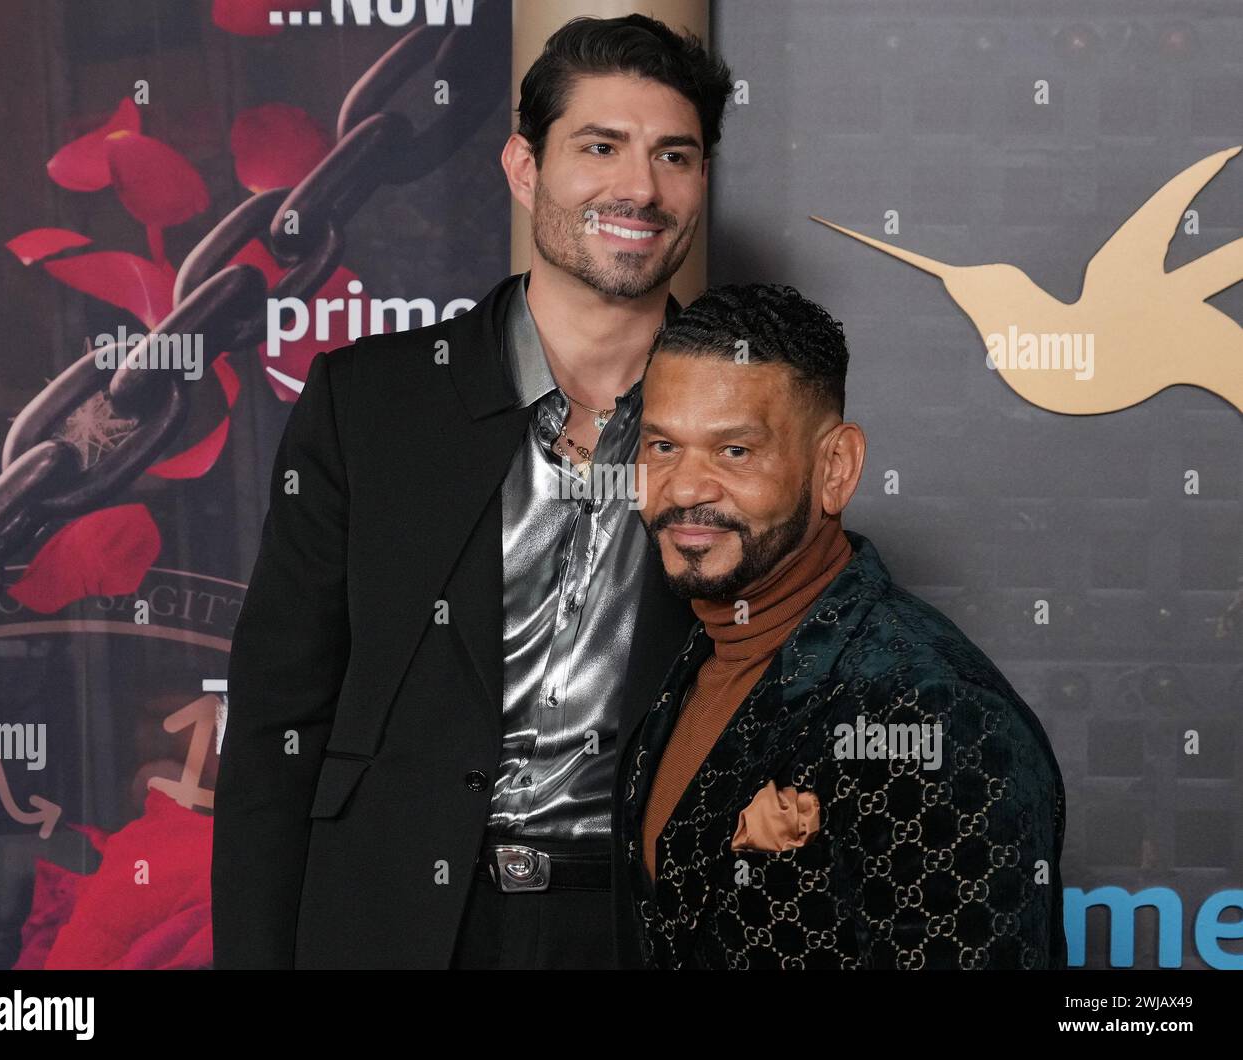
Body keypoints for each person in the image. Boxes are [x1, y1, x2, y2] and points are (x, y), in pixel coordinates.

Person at [212, 14, 733, 969]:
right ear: (525, 167)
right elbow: (276, 724)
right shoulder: (370, 405)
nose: (639, 187)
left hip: (643, 932)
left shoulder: (750, 419)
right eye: (600, 147)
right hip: (398, 925)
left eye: (675, 155)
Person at [618, 282, 1067, 969]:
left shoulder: (935, 713)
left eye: (734, 452)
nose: (683, 489)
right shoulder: (701, 654)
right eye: (662, 446)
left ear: (836, 468)